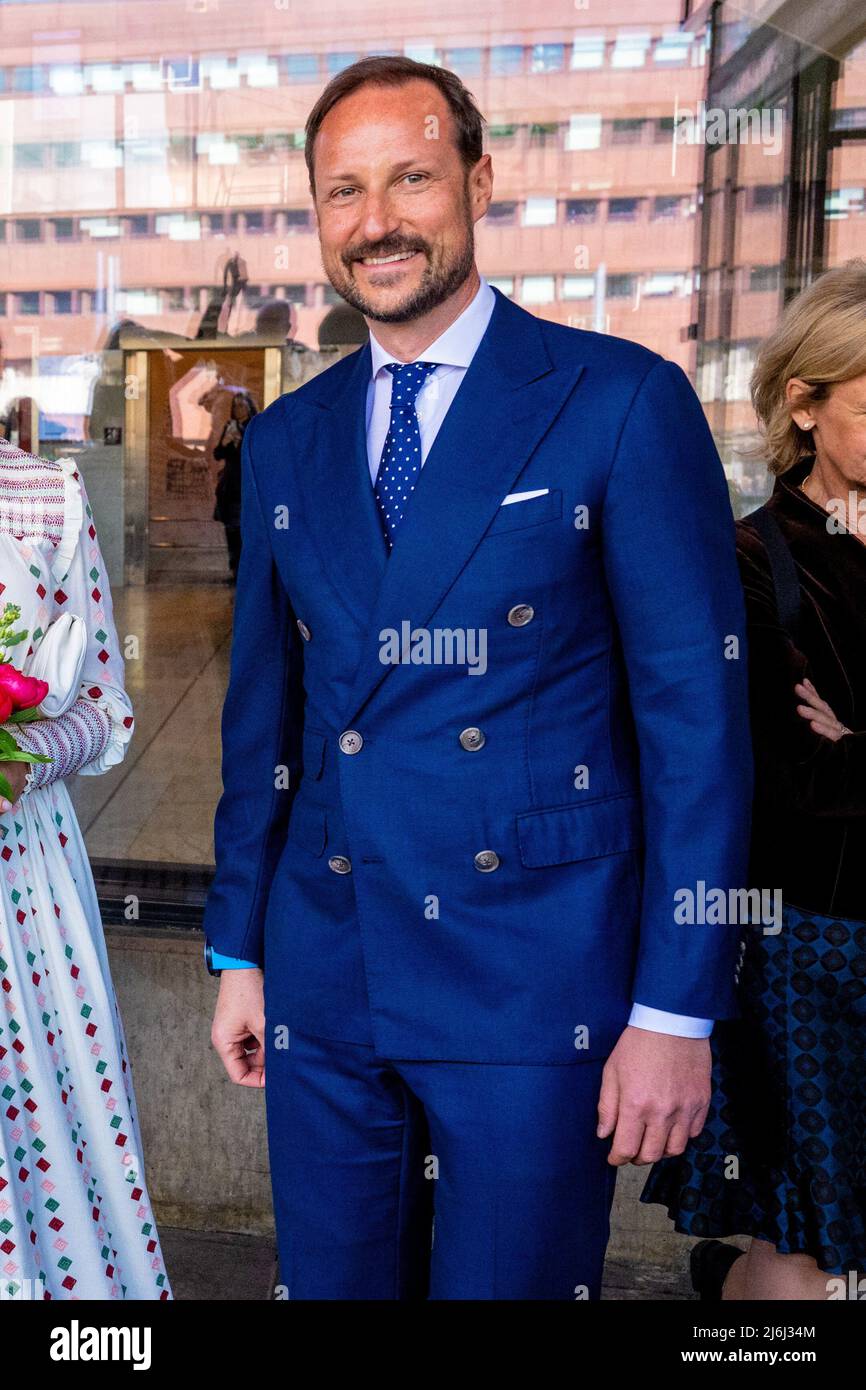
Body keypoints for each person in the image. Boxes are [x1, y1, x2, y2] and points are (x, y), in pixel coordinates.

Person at [203, 55, 753, 1301]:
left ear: (479, 181)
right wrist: (238, 944)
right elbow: (263, 719)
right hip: (327, 967)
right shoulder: (289, 435)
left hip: (536, 975)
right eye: (343, 192)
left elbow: (696, 728)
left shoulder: (616, 401)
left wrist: (676, 1010)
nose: (377, 220)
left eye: (410, 176)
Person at [642, 261, 866, 1300]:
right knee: (807, 1265)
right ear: (802, 402)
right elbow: (786, 784)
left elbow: (836, 767)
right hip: (807, 955)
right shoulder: (739, 563)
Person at [0, 435, 171, 1300]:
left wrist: (24, 759)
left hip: (17, 890)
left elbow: (107, 707)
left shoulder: (42, 493)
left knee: (36, 1144)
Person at [212, 391, 257, 582]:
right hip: (230, 487)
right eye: (235, 405)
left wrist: (240, 439)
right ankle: (235, 569)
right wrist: (226, 441)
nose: (238, 409)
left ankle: (246, 571)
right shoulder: (229, 427)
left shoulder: (254, 427)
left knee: (244, 531)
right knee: (231, 530)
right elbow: (218, 454)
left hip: (246, 486)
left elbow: (253, 453)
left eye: (241, 405)